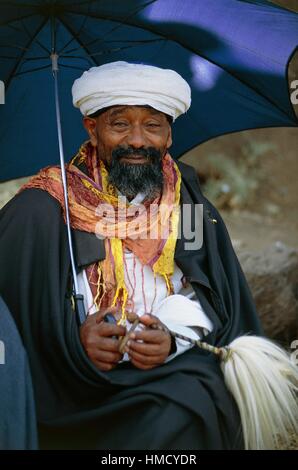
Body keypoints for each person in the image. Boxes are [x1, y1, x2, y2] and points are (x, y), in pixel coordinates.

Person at [0, 61, 262, 450]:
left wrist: (170, 335)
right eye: (120, 124)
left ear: (169, 135)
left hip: (164, 371)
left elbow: (205, 291)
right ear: (92, 129)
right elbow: (16, 316)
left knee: (200, 397)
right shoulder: (45, 205)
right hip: (70, 380)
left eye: (153, 125)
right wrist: (74, 340)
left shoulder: (185, 204)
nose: (137, 140)